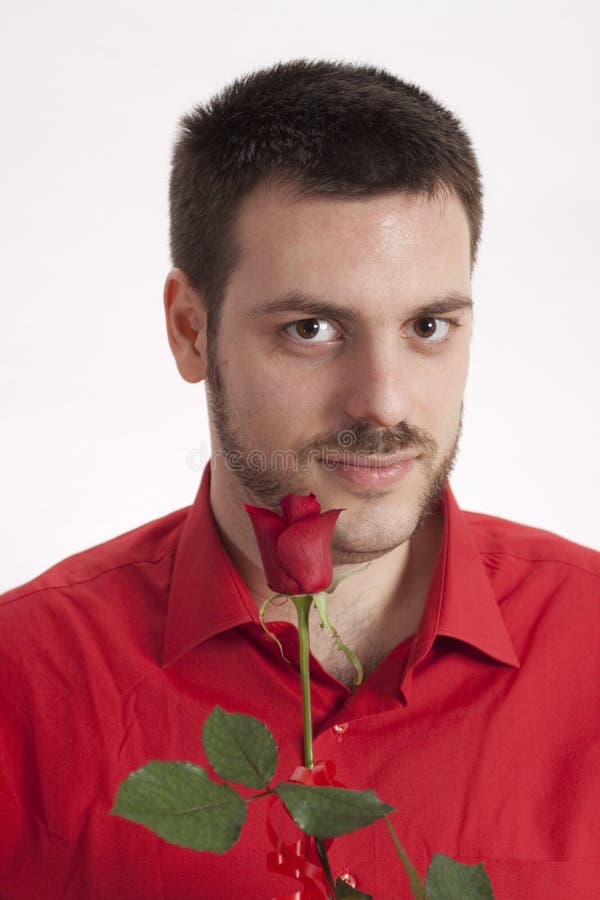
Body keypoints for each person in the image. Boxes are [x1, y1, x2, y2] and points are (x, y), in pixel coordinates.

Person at [0, 58, 598, 900]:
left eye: (428, 325)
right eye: (312, 328)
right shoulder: (21, 680)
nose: (384, 402)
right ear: (190, 330)